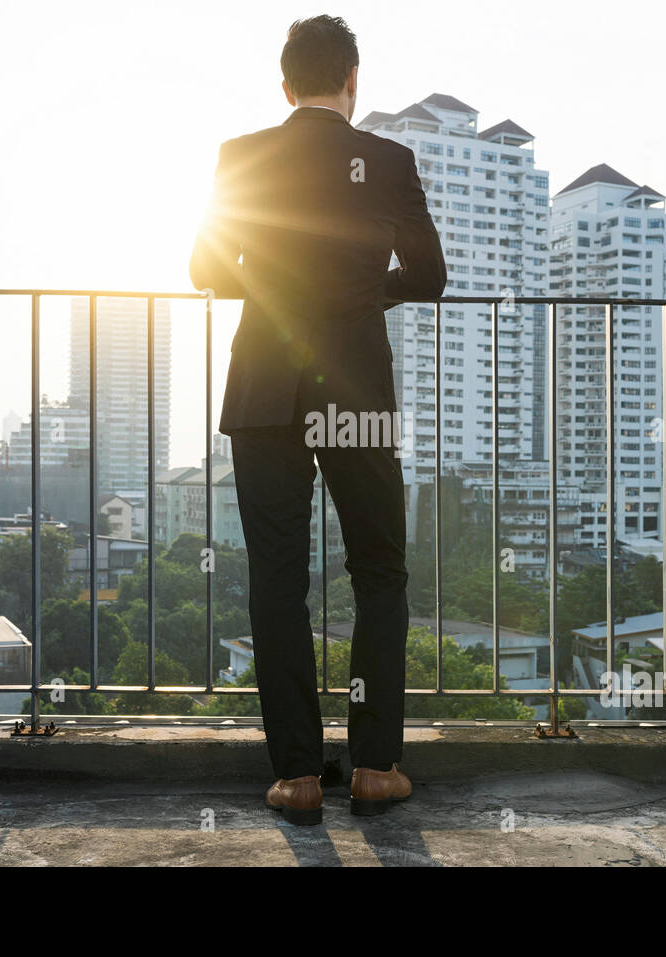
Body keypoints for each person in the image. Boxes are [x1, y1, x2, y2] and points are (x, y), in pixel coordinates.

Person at [189, 14, 446, 824]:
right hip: (358, 399)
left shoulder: (243, 156)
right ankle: (374, 765)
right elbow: (431, 276)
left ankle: (297, 774)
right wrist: (371, 288)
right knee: (379, 573)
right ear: (353, 82)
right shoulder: (391, 160)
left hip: (265, 395)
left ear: (286, 85)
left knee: (277, 579)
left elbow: (202, 268)